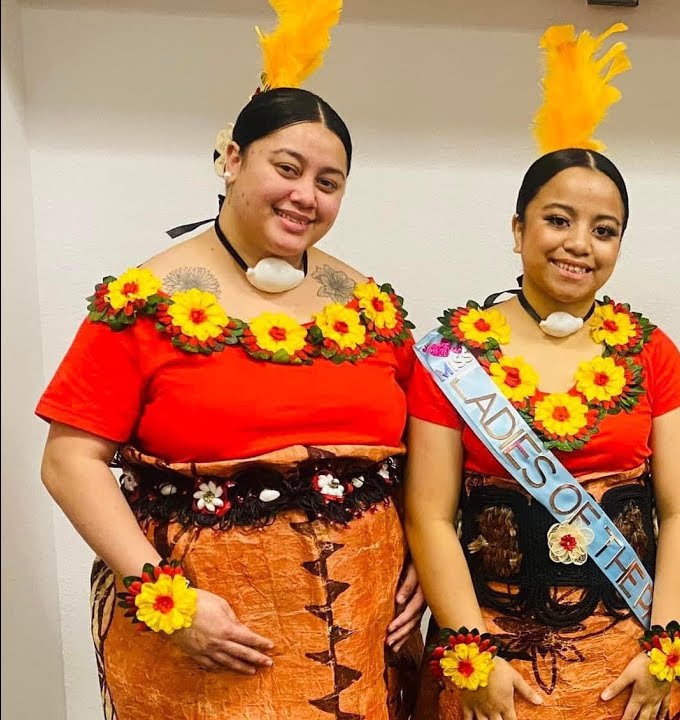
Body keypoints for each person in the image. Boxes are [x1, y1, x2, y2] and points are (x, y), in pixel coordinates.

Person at [35, 5, 423, 718]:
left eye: (329, 181)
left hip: (364, 641)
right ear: (232, 159)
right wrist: (167, 599)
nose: (306, 195)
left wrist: (425, 564)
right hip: (207, 648)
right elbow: (68, 461)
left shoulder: (368, 305)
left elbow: (423, 446)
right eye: (288, 167)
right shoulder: (147, 300)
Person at [405, 24, 680, 720]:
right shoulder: (453, 356)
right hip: (492, 658)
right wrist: (470, 654)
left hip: (629, 655)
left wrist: (665, 648)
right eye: (558, 221)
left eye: (604, 230)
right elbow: (429, 515)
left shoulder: (652, 351)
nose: (580, 245)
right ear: (518, 229)